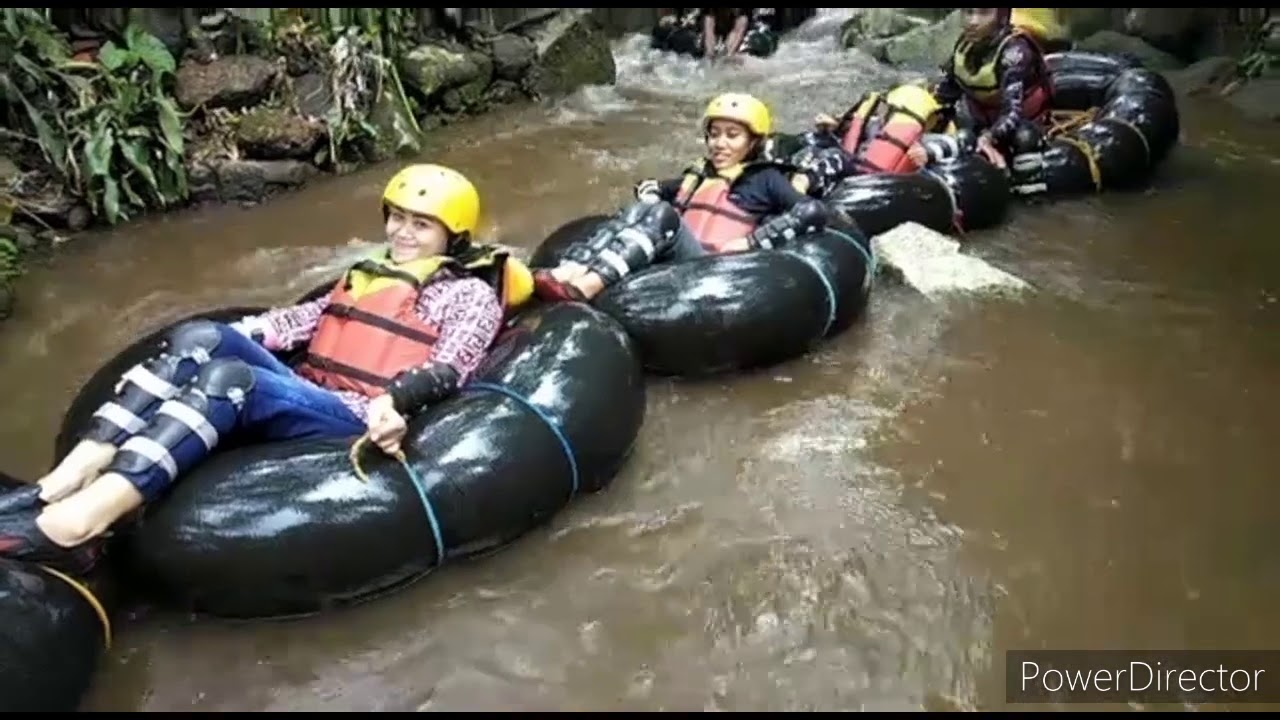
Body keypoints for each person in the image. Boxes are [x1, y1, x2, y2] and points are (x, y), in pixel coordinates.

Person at [0, 163, 529, 575]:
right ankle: (62, 481)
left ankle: (77, 528)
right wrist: (232, 338)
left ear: (452, 236)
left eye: (421, 225)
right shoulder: (368, 274)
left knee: (232, 383)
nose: (403, 232)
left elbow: (450, 367)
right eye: (397, 217)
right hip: (312, 387)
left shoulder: (467, 294)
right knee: (201, 339)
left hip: (361, 410)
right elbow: (296, 323)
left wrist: (397, 402)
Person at [531, 92, 831, 304]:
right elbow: (650, 186)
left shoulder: (766, 179)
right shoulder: (698, 176)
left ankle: (586, 287)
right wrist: (649, 195)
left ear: (752, 142)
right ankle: (569, 270)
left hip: (713, 268)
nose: (719, 143)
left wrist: (751, 243)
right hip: (676, 263)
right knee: (644, 208)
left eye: (732, 135)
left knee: (662, 214)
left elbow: (812, 211)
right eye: (714, 134)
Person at [798, 82, 978, 197]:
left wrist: (929, 153)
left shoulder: (925, 140)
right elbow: (853, 129)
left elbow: (961, 142)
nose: (891, 114)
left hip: (879, 183)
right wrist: (834, 125)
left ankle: (800, 185)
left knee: (835, 156)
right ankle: (798, 181)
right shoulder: (878, 126)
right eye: (891, 110)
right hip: (853, 173)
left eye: (896, 111)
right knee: (821, 148)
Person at [932, 7, 1056, 169]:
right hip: (981, 120)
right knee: (961, 129)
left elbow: (1013, 112)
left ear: (1001, 16)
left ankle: (1029, 184)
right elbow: (946, 93)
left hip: (1022, 122)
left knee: (1024, 137)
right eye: (968, 12)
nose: (973, 22)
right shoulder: (964, 46)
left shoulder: (1015, 52)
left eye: (984, 13)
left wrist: (988, 138)